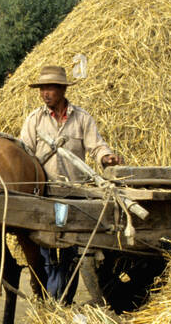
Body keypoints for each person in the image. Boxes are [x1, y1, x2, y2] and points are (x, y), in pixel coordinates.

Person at [17, 65, 122, 304]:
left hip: (74, 195)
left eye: (50, 88)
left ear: (62, 89)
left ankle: (62, 299)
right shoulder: (34, 120)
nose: (45, 93)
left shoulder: (81, 119)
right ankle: (50, 296)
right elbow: (23, 153)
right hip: (44, 196)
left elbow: (96, 146)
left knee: (69, 250)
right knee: (44, 248)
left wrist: (106, 157)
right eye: (42, 88)